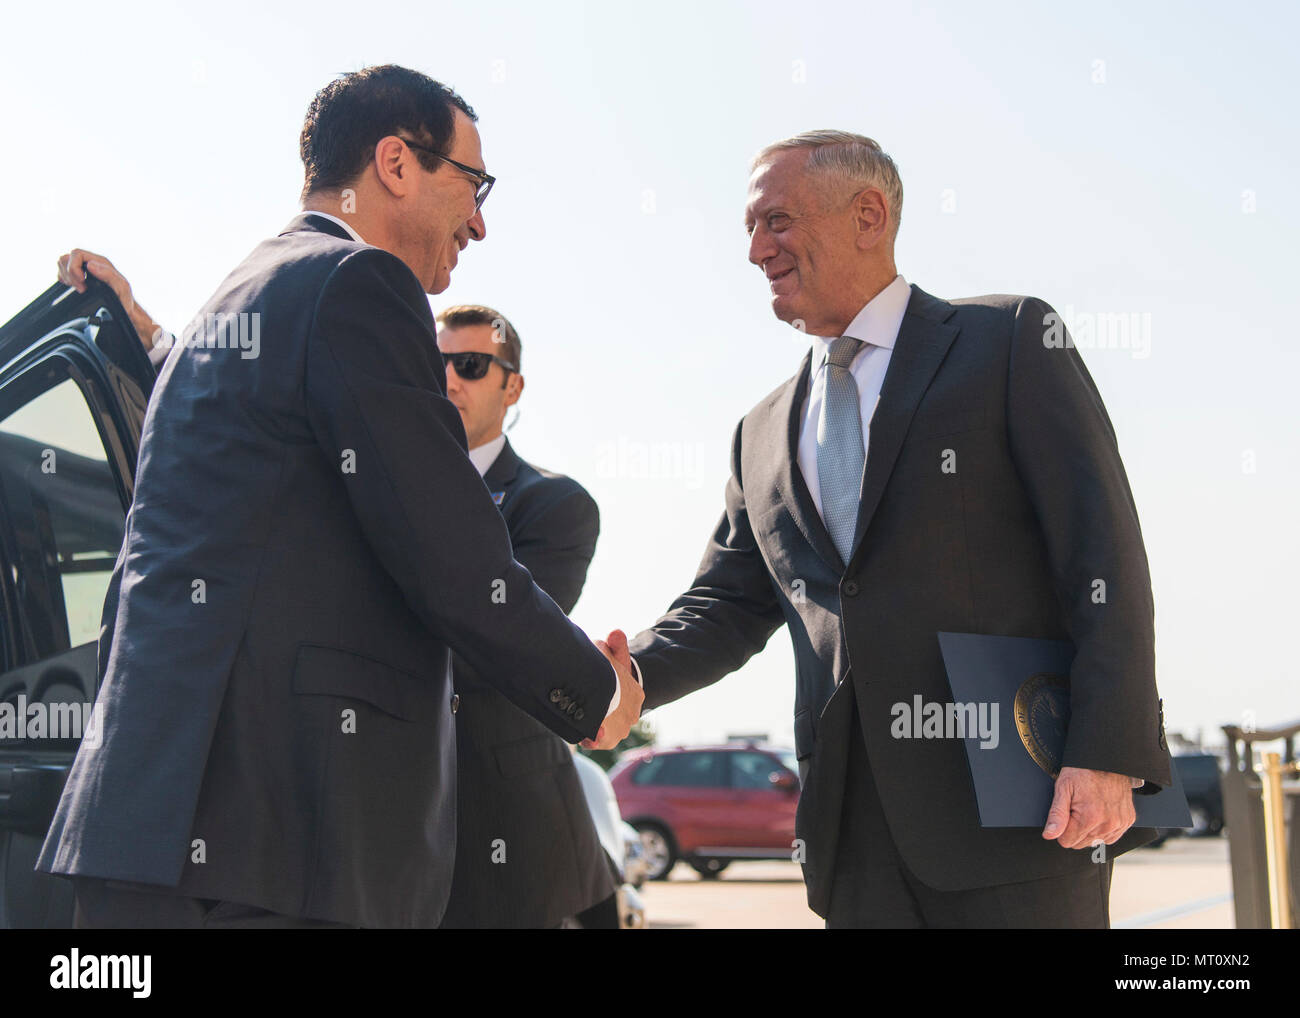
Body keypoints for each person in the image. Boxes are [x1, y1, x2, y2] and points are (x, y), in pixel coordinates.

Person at [37, 64, 640, 930]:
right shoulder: (359, 283)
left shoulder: (232, 301)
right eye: (473, 185)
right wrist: (593, 693)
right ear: (396, 164)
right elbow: (452, 555)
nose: (478, 221)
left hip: (140, 834)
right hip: (278, 849)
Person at [605, 130, 1170, 928]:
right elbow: (727, 604)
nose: (756, 250)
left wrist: (1106, 750)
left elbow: (1103, 554)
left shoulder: (1008, 342)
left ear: (868, 214)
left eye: (776, 222)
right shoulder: (759, 430)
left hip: (1019, 807)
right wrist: (626, 680)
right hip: (853, 833)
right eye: (750, 230)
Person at [433, 305, 618, 928]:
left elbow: (509, 645)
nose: (449, 380)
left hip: (511, 824)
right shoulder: (376, 488)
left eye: (471, 365)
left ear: (512, 386)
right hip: (389, 819)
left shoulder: (554, 503)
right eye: (434, 365)